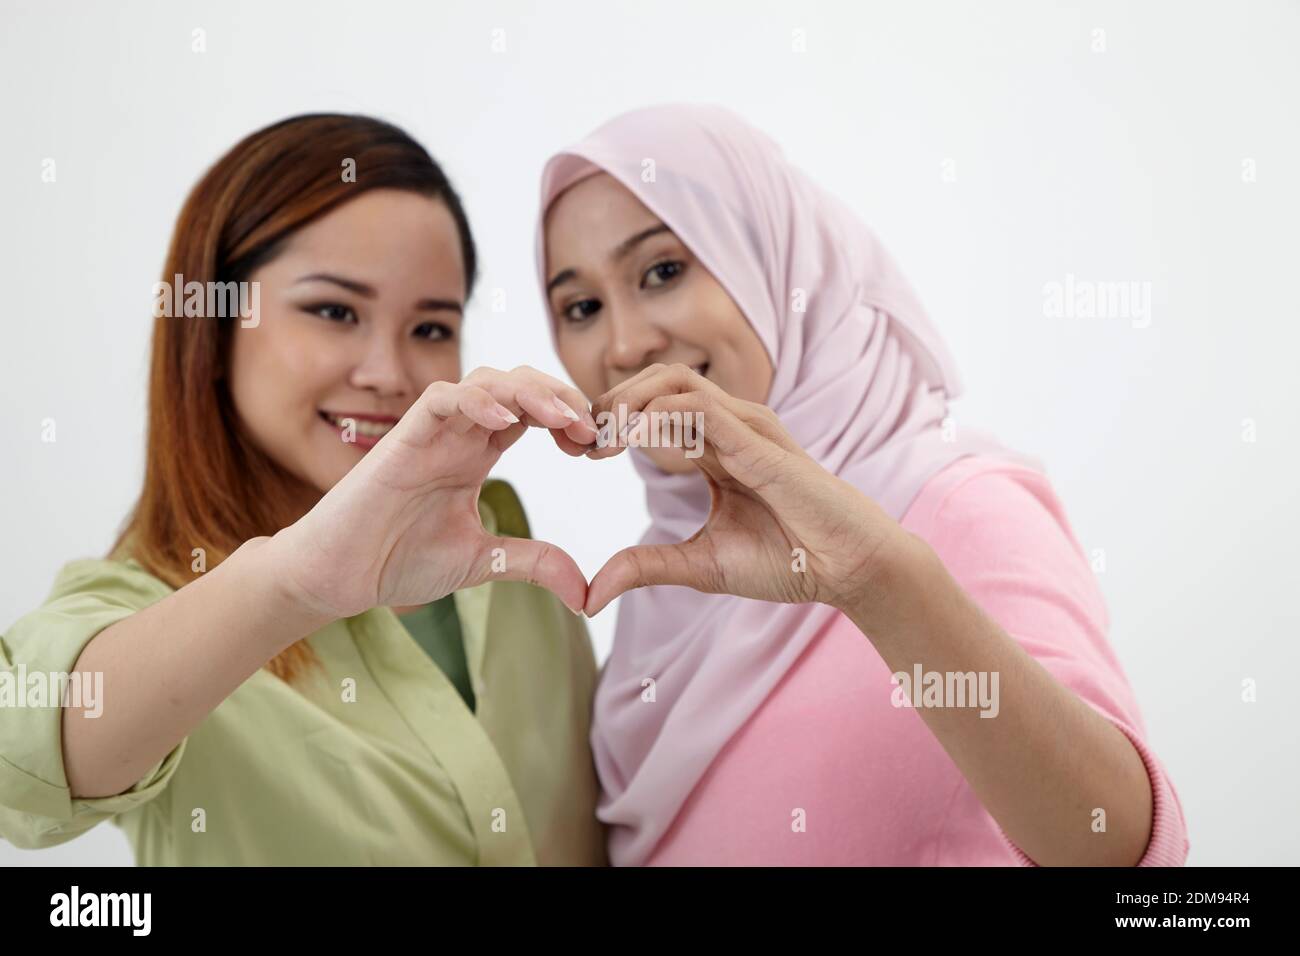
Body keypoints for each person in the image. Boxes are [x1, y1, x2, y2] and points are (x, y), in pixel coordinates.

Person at [536, 103, 1190, 866]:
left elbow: (1122, 846)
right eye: (581, 307)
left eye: (664, 271)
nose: (623, 344)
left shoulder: (957, 508)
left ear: (777, 262)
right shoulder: (656, 594)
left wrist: (880, 583)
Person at [0, 113, 606, 866]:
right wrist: (293, 584)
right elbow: (18, 766)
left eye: (429, 327)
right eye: (333, 311)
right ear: (213, 331)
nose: (388, 373)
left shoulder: (508, 552)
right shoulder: (152, 599)